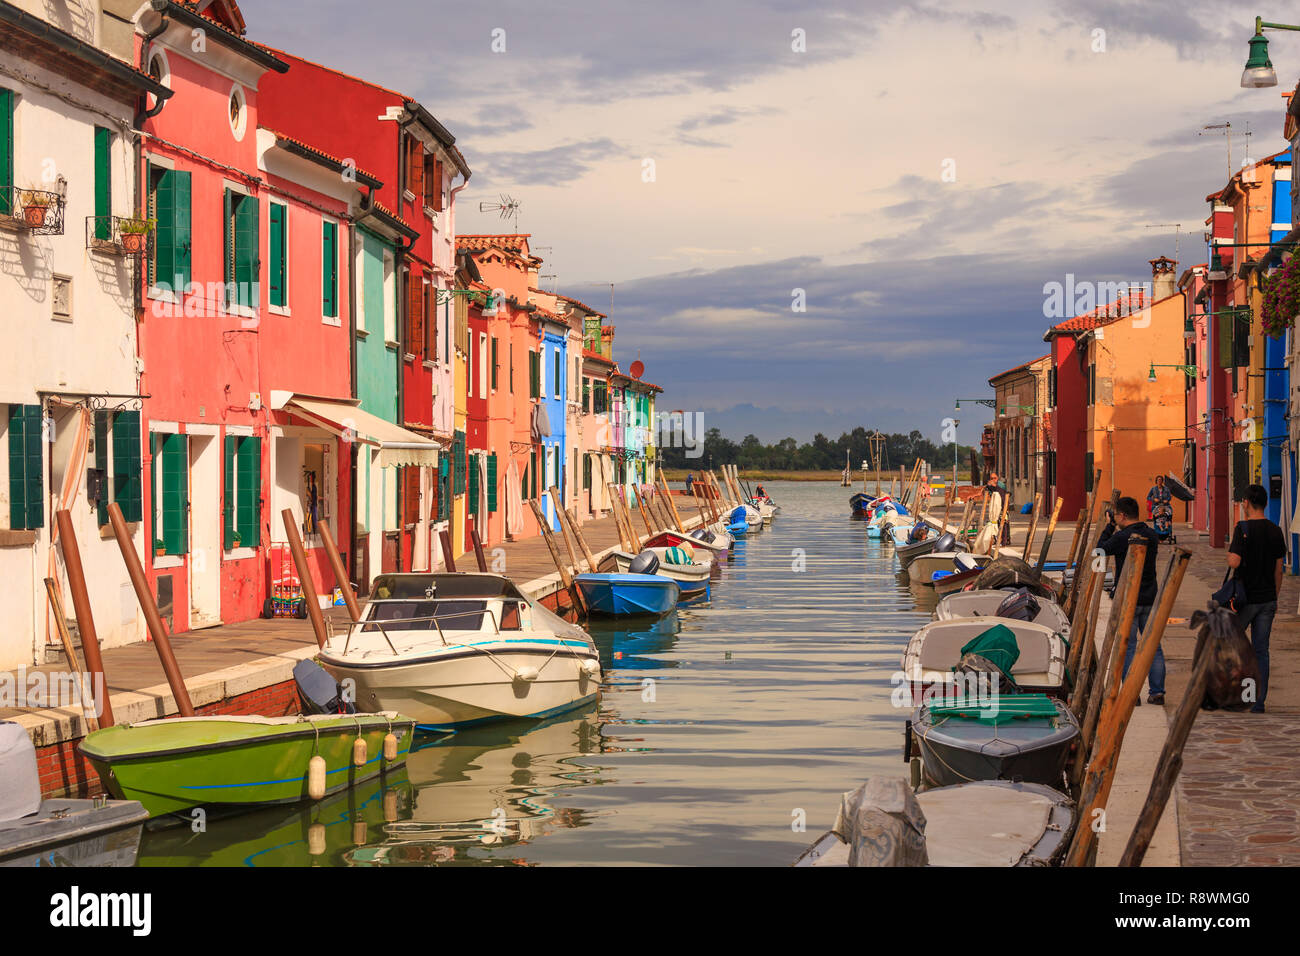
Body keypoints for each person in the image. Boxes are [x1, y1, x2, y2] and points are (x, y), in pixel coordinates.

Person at [1227, 484, 1286, 713]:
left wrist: (1231, 552)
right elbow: (1278, 570)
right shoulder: (1275, 530)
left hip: (1244, 599)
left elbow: (1234, 562)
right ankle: (1258, 701)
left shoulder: (1242, 528)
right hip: (1267, 599)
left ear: (1247, 503)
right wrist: (1275, 597)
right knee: (1261, 650)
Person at [1099, 496, 1163, 704]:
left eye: (1115, 515)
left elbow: (1098, 551)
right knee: (1153, 645)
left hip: (1129, 597)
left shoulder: (1122, 537)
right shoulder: (1152, 535)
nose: (1115, 518)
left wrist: (1109, 526)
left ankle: (1130, 693)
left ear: (1122, 515)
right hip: (1150, 597)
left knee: (1129, 645)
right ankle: (1157, 691)